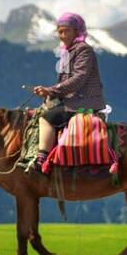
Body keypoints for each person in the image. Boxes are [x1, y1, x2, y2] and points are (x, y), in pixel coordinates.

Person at [31, 12, 107, 171]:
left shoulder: (83, 49)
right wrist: (51, 95)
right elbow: (66, 82)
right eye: (60, 31)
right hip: (72, 99)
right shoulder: (69, 50)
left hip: (84, 101)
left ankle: (41, 159)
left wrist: (51, 90)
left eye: (67, 31)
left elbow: (79, 78)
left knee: (46, 118)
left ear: (77, 31)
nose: (63, 35)